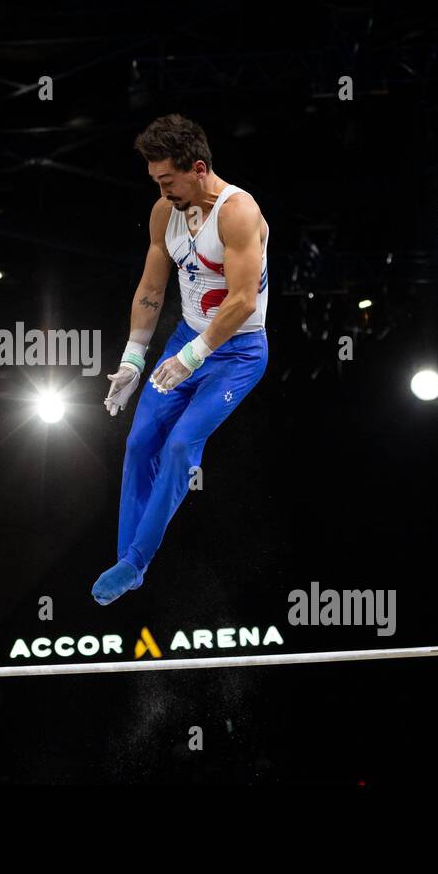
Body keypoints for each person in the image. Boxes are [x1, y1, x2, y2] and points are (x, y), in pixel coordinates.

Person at [94, 114, 270, 605]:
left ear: (197, 167)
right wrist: (133, 360)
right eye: (154, 181)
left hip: (235, 355)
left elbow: (242, 301)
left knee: (178, 449)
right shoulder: (163, 215)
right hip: (183, 343)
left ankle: (136, 561)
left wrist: (193, 357)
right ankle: (127, 562)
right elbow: (151, 289)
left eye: (167, 180)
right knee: (139, 444)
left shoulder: (238, 212)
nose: (161, 190)